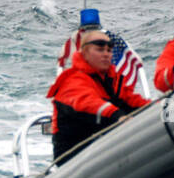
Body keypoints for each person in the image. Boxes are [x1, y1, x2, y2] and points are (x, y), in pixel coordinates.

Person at [46, 28, 150, 164]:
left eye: (109, 50)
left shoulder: (114, 81)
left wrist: (167, 111)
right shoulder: (72, 81)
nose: (106, 54)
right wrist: (118, 115)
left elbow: (134, 102)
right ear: (84, 53)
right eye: (100, 50)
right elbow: (88, 103)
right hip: (73, 159)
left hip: (107, 150)